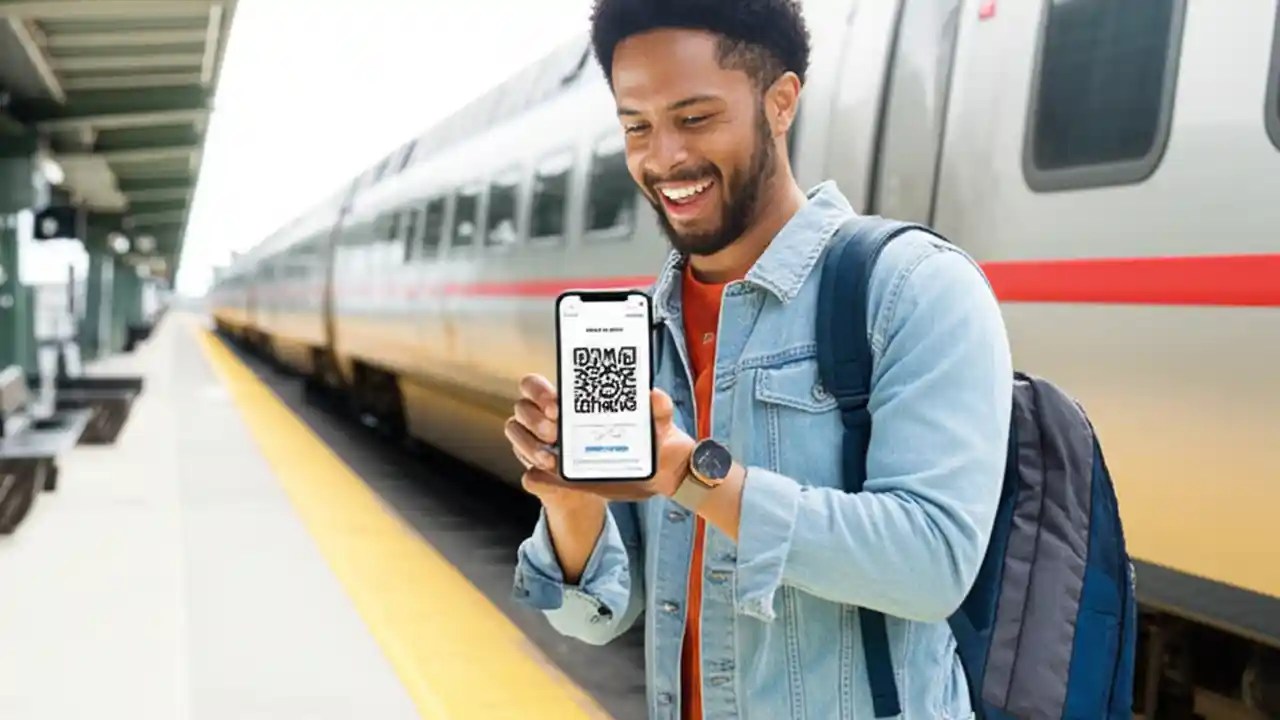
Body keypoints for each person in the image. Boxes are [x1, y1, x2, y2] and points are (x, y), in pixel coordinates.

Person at [505, 0, 1013, 717]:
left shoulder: (914, 288)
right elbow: (593, 618)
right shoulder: (651, 327)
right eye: (636, 127)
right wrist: (569, 502)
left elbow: (932, 565)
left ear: (780, 104)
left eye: (695, 118)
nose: (664, 158)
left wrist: (692, 476)